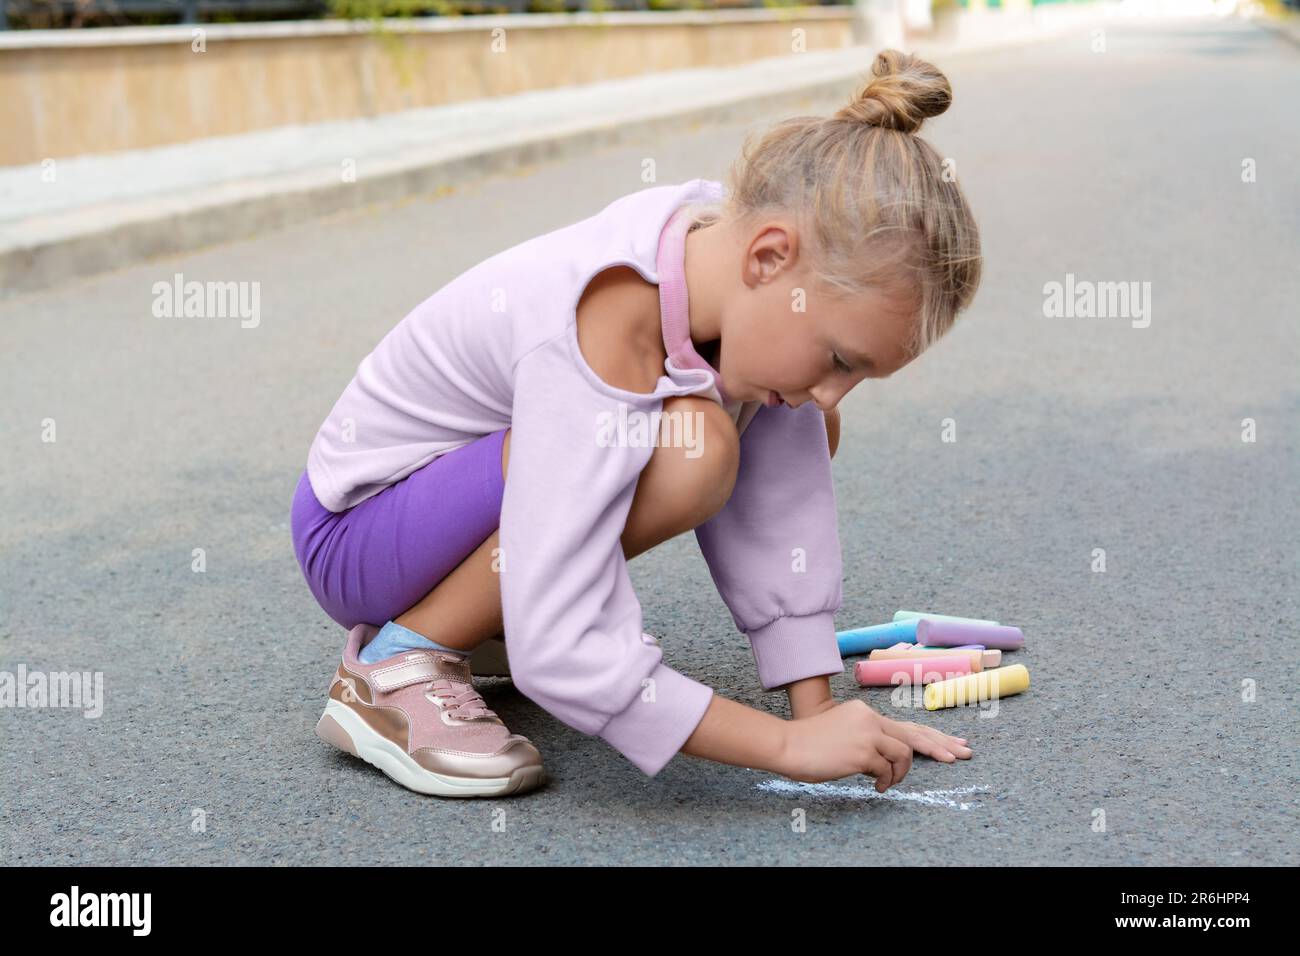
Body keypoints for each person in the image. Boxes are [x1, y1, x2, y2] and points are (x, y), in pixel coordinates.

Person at [291, 49, 982, 798]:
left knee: (762, 423)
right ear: (770, 256)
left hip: (448, 510)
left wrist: (818, 711)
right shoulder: (609, 321)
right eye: (840, 359)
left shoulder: (726, 260)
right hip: (357, 531)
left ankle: (471, 620)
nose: (832, 394)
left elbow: (782, 492)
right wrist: (783, 745)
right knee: (694, 449)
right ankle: (399, 665)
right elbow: (563, 648)